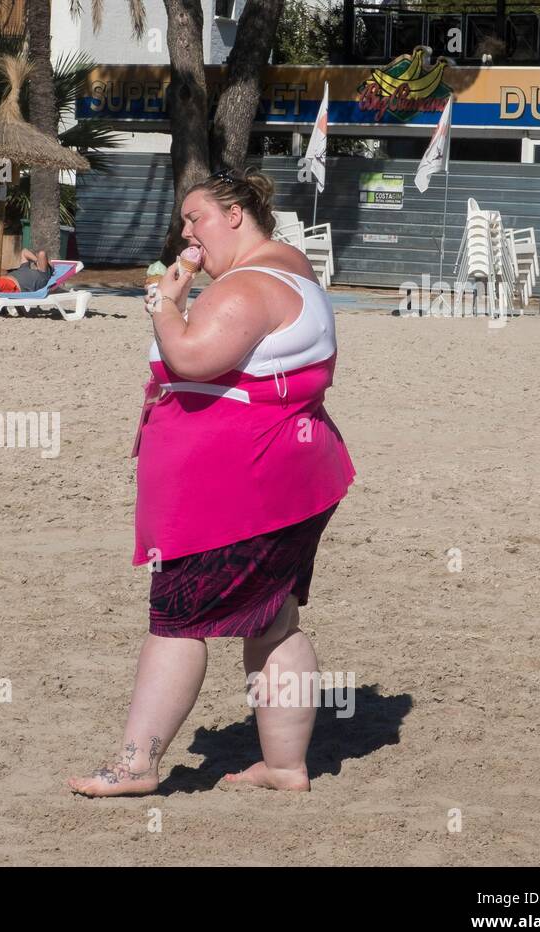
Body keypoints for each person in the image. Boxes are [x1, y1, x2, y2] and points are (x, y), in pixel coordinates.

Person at [68, 168, 355, 797]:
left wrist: (165, 304)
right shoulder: (287, 270)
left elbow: (193, 357)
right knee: (273, 620)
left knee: (178, 621)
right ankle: (284, 766)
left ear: (234, 214)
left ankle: (137, 764)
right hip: (292, 478)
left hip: (239, 494)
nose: (186, 232)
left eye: (195, 217)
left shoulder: (248, 286)